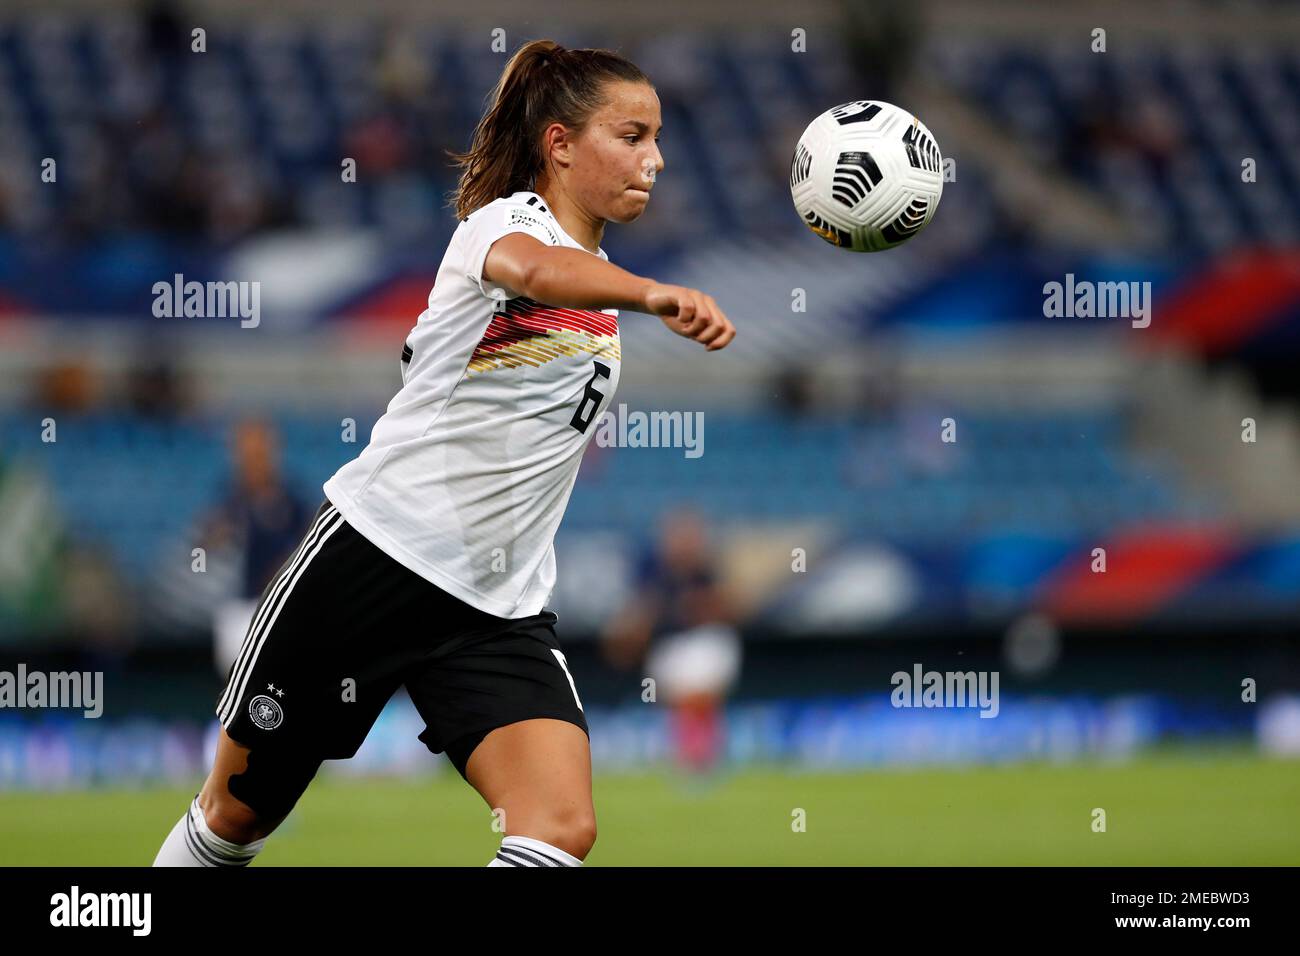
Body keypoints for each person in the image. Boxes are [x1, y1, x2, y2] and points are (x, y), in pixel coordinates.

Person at [153, 38, 735, 868]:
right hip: (377, 561)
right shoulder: (503, 229)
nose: (657, 158)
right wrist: (653, 293)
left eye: (657, 137)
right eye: (632, 135)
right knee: (234, 819)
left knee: (559, 826)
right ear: (560, 145)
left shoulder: (600, 290)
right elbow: (537, 272)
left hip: (495, 605)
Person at [602, 508, 740, 776]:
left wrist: (701, 606)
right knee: (683, 700)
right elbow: (637, 616)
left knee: (702, 688)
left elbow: (730, 611)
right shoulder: (654, 572)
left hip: (702, 642)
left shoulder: (706, 570)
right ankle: (691, 754)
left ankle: (703, 753)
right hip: (670, 648)